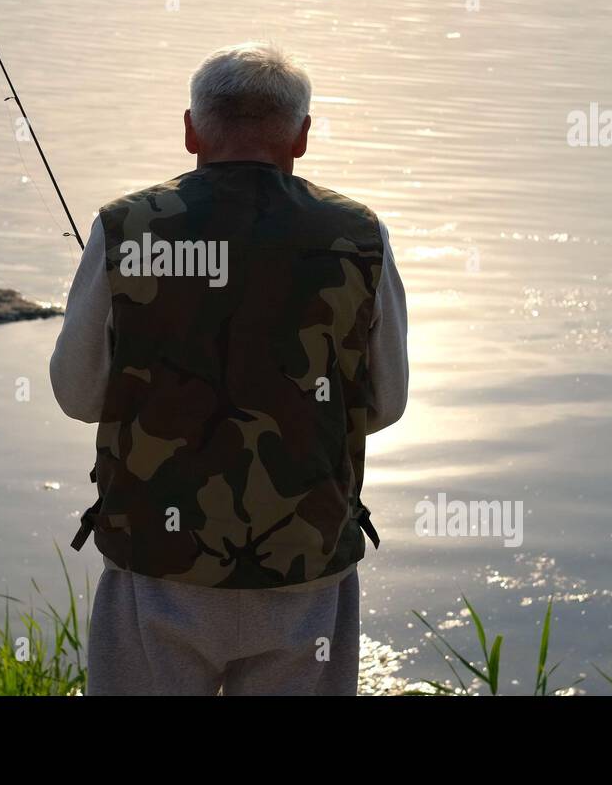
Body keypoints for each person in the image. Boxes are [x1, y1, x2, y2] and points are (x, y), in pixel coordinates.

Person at [49, 41, 408, 695]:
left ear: (190, 130)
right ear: (301, 137)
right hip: (304, 566)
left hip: (159, 564)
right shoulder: (360, 233)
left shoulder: (125, 226)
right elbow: (386, 403)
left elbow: (78, 394)